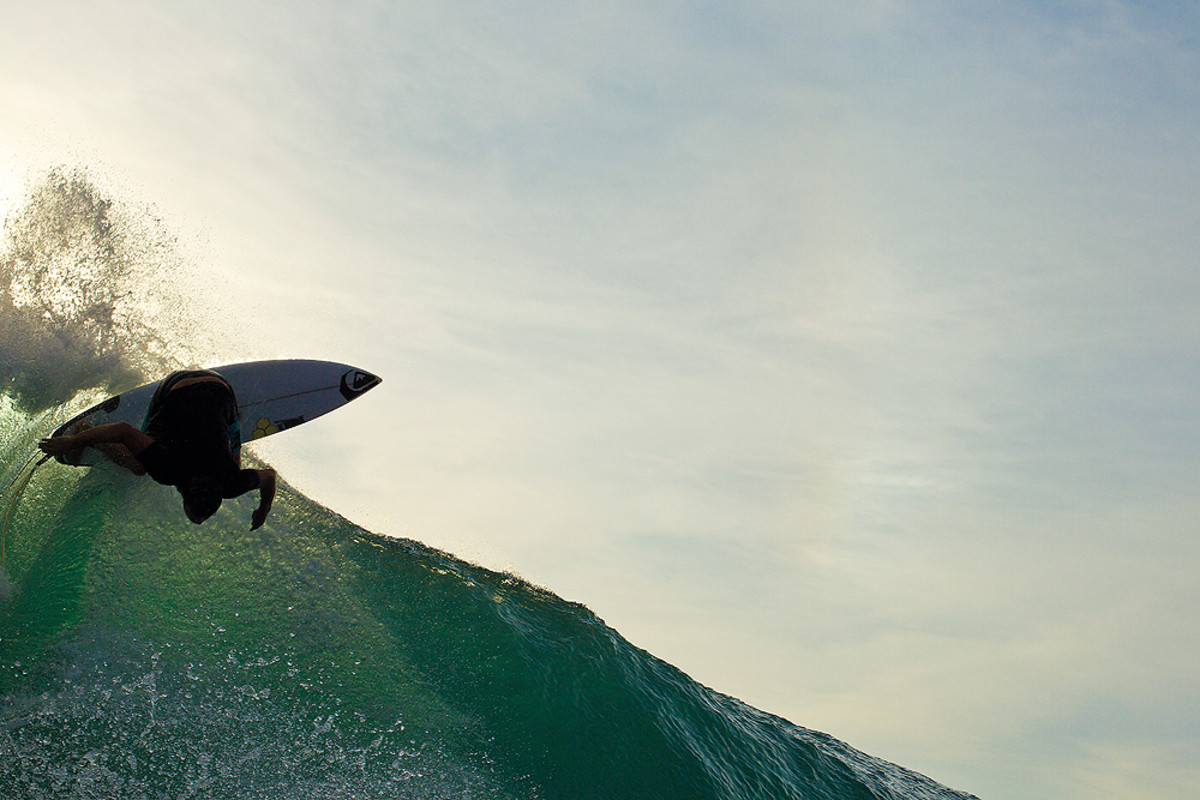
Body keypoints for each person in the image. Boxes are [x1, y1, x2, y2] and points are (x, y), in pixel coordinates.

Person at [39, 369, 277, 529]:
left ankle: (227, 418)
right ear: (185, 496)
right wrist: (72, 441)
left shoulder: (232, 483)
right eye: (204, 515)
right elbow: (122, 431)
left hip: (221, 386)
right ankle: (87, 432)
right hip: (174, 389)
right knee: (138, 466)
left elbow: (269, 477)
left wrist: (263, 510)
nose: (202, 520)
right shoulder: (168, 470)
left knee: (234, 463)